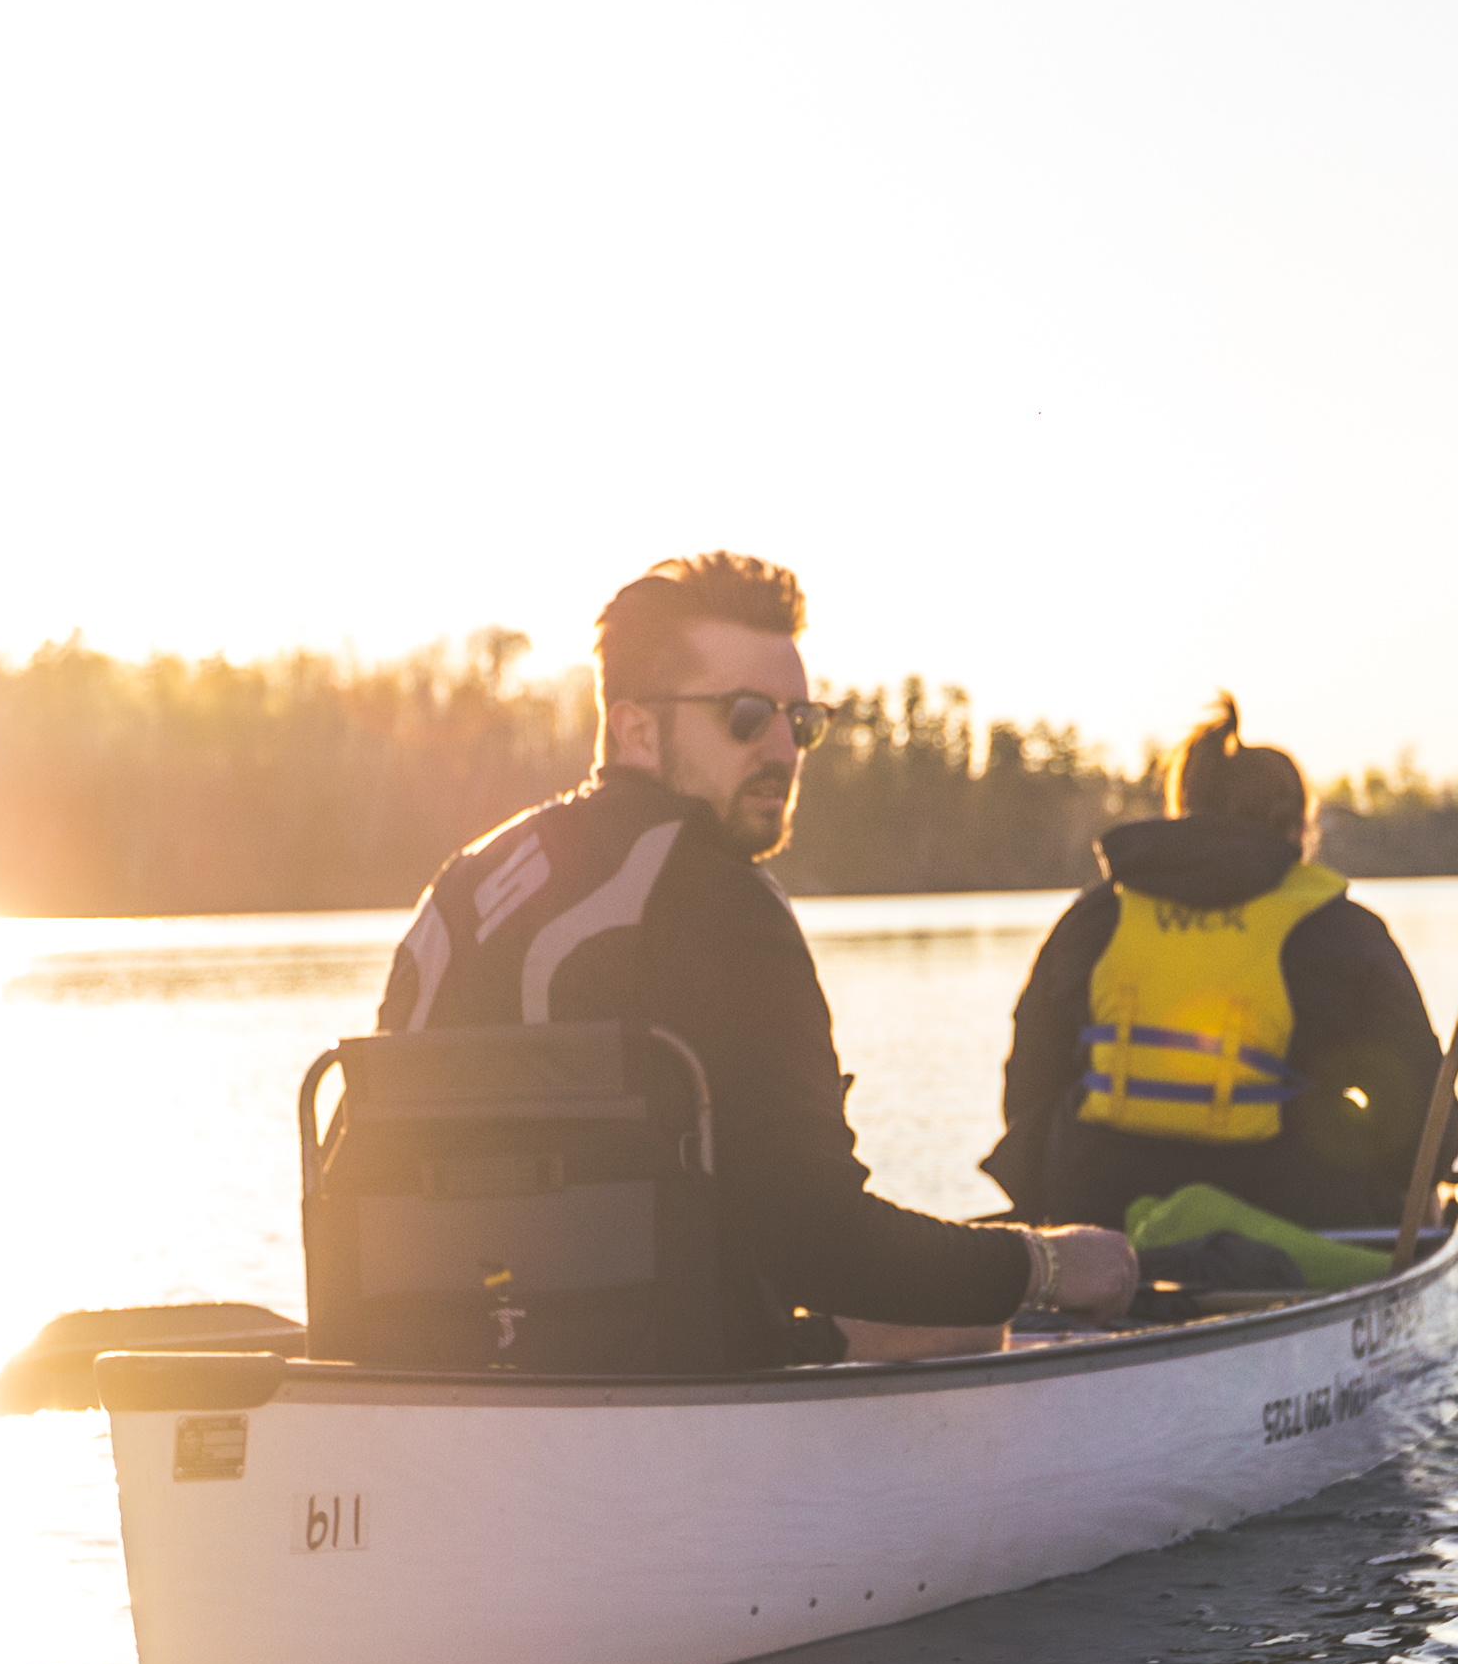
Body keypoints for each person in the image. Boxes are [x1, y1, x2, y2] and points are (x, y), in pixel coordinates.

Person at [378, 551, 1140, 1362]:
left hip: (432, 1348)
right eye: (746, 716)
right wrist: (1047, 1263)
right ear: (636, 727)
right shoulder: (718, 900)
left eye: (801, 720)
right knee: (971, 1324)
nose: (783, 747)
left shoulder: (465, 880)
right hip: (660, 1375)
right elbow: (821, 1239)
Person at [984, 695, 1454, 1237]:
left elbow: (1025, 1089)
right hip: (1292, 1214)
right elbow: (1423, 1111)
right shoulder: (1340, 930)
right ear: (1296, 829)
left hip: (1097, 1201)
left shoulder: (1093, 920)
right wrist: (1416, 1186)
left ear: (1180, 809)